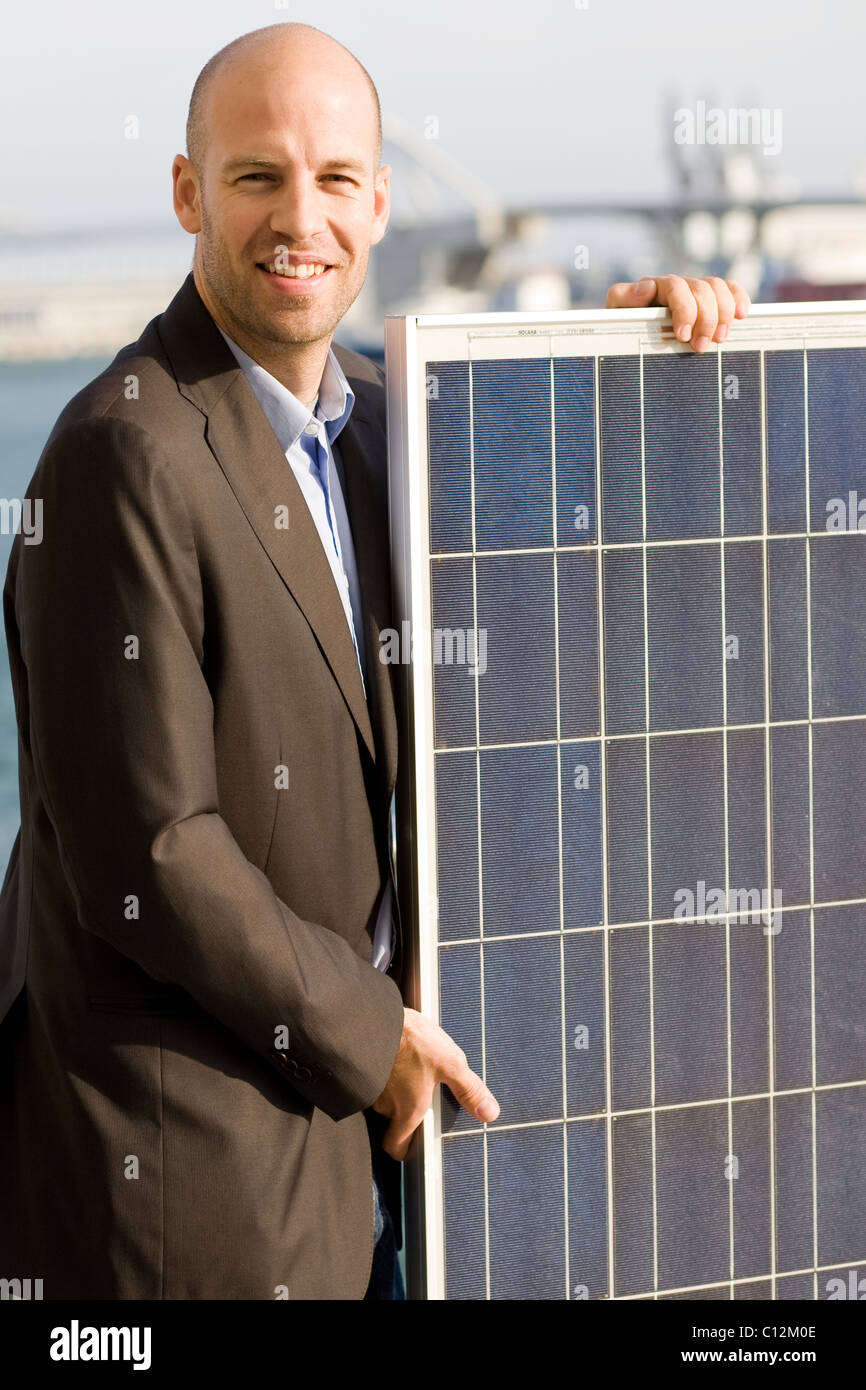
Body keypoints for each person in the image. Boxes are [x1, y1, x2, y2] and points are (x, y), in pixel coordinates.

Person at [0, 21, 750, 1301]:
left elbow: (558, 601)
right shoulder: (121, 452)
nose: (303, 218)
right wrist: (374, 1045)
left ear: (381, 198)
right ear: (186, 191)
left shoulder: (380, 429)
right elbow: (153, 851)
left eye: (337, 178)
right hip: (194, 1174)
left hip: (381, 1160)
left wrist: (624, 377)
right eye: (256, 177)